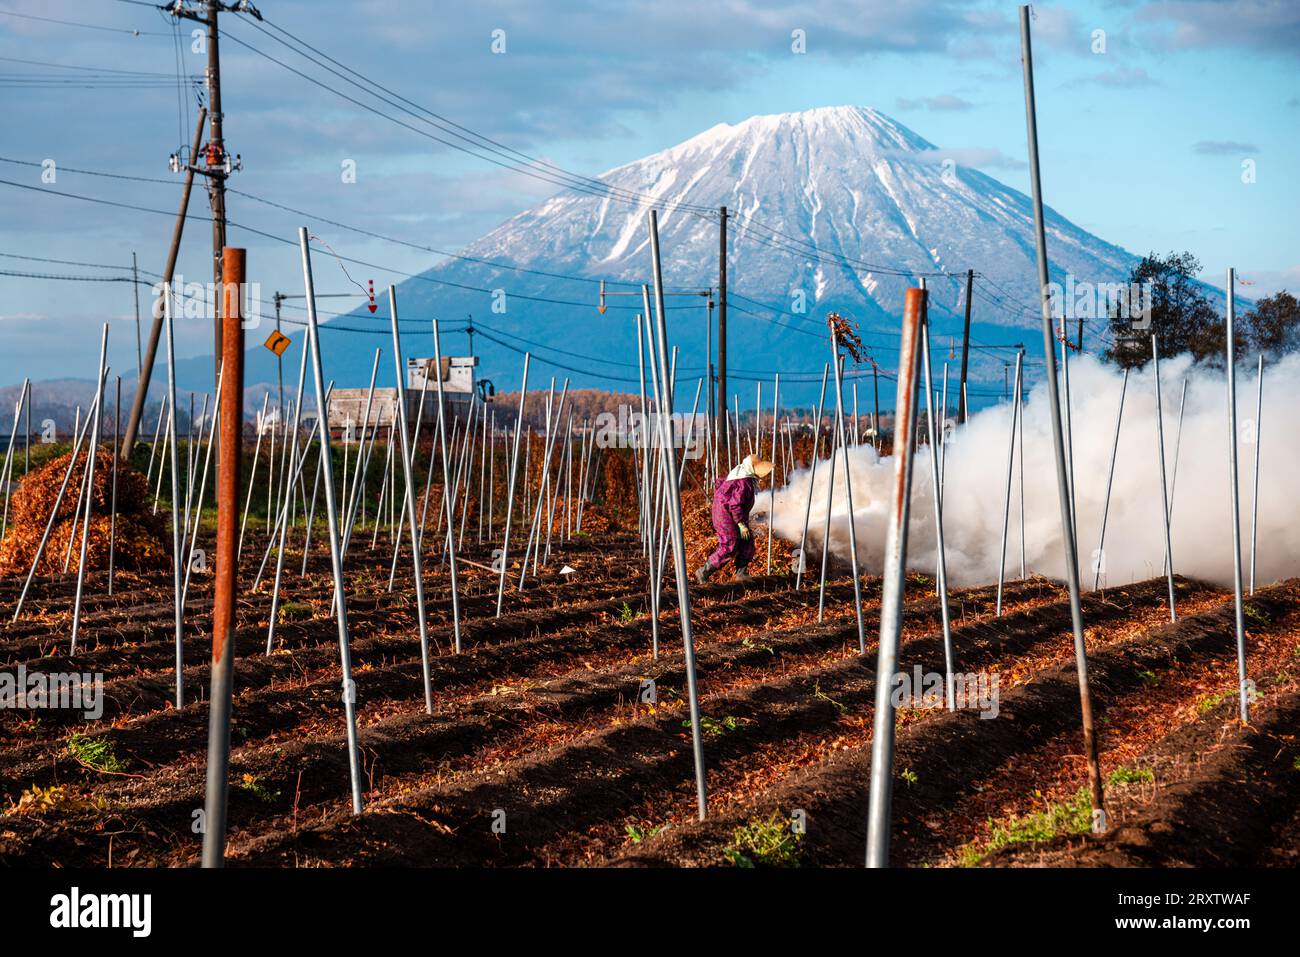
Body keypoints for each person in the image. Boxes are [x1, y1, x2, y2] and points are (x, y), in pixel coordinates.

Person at [695, 453, 773, 583]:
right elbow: (735, 504)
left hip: (728, 512)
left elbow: (721, 485)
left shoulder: (740, 476)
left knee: (747, 541)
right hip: (725, 514)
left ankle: (741, 573)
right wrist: (741, 524)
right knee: (729, 544)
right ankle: (703, 572)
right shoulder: (744, 482)